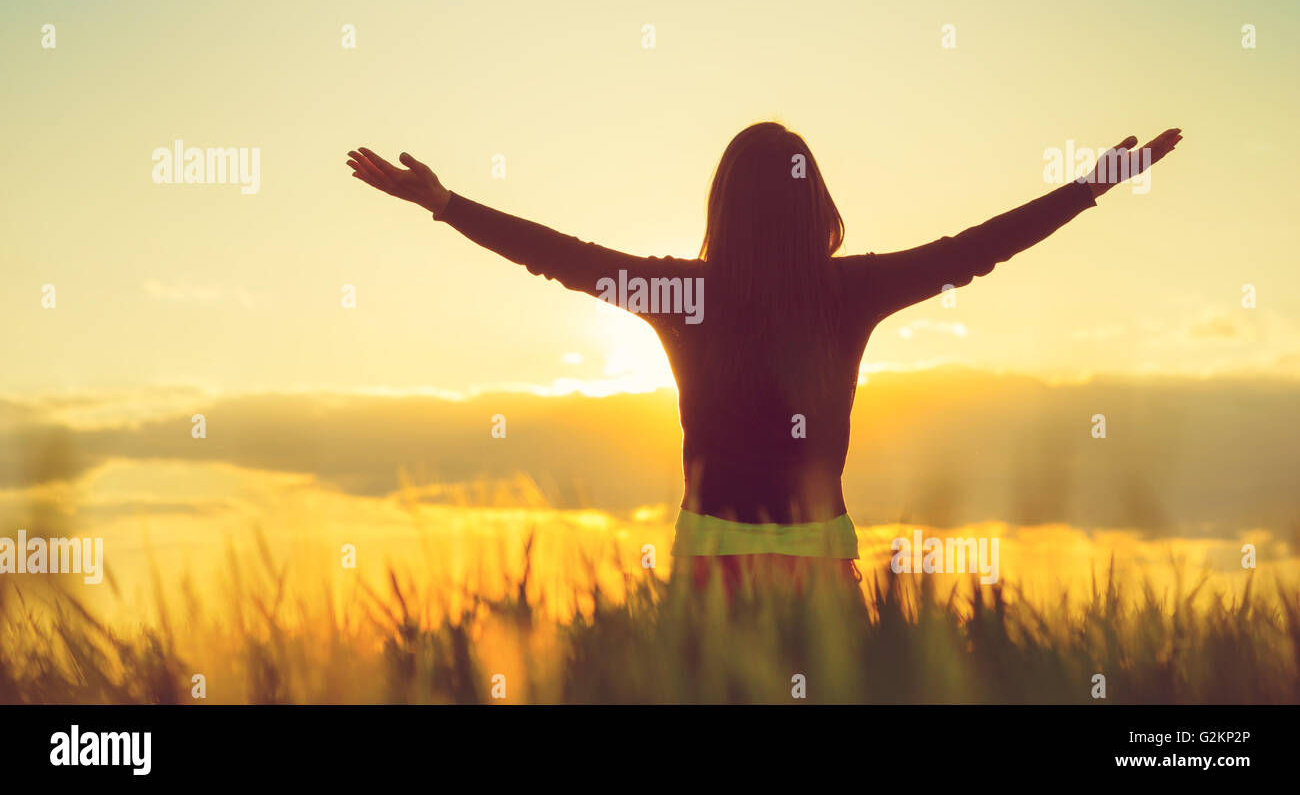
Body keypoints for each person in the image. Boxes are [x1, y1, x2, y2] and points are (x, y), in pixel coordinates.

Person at [346, 122, 1181, 598]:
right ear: (816, 206)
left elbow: (557, 254)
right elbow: (978, 248)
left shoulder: (684, 295)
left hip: (708, 572)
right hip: (818, 572)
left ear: (721, 207)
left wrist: (448, 206)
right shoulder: (844, 294)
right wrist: (1093, 184)